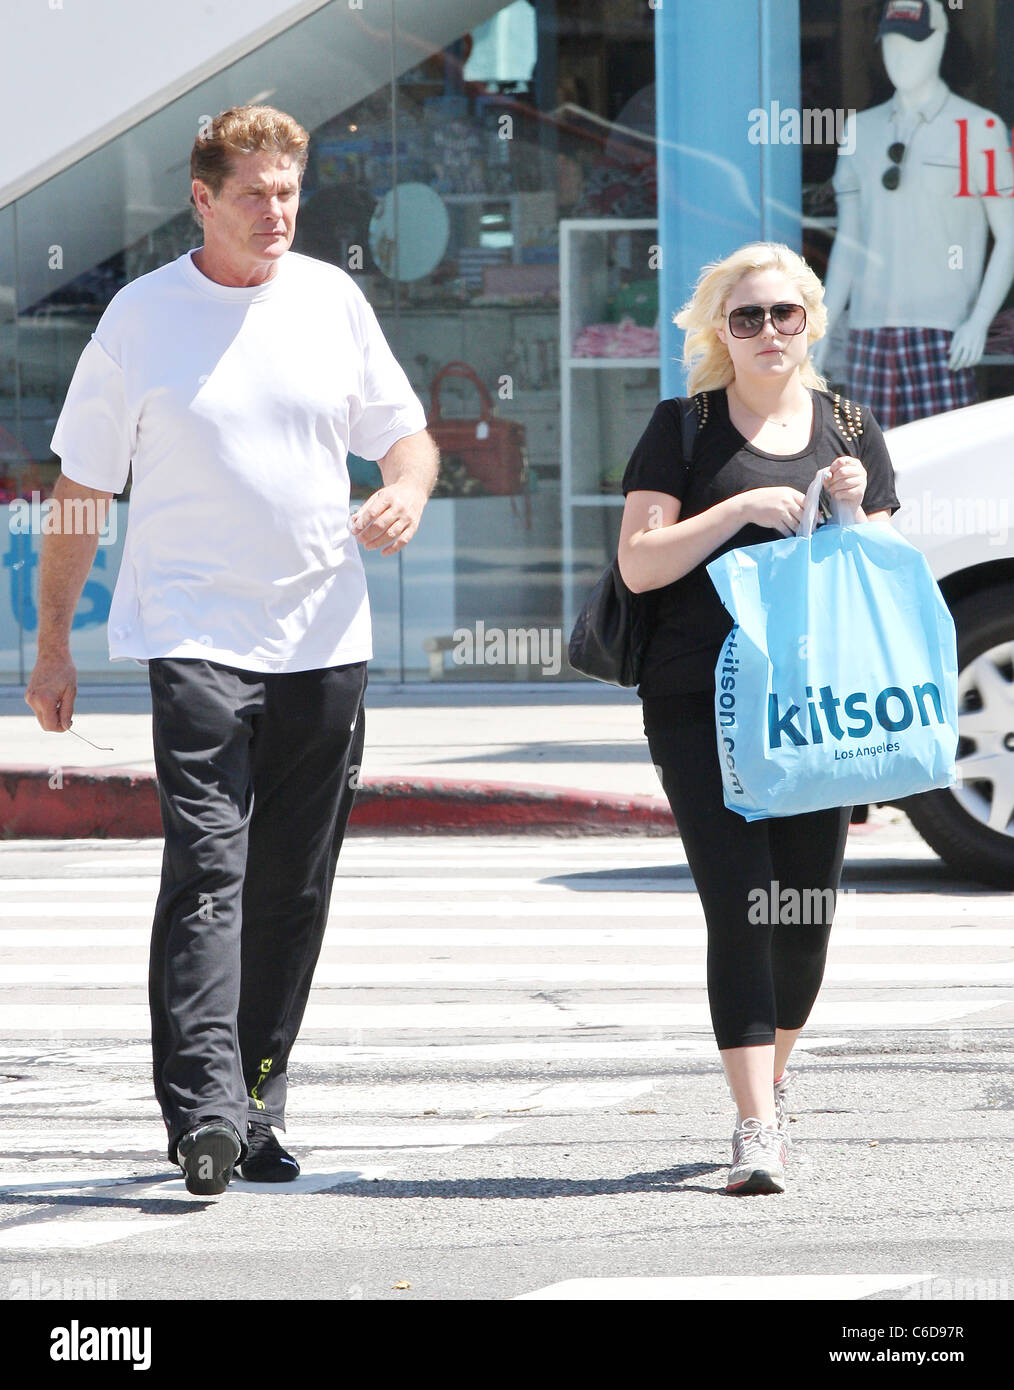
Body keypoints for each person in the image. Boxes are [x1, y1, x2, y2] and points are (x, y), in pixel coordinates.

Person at [24, 106, 439, 1196]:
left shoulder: (332, 300)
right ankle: (204, 1111)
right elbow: (82, 491)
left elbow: (406, 437)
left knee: (292, 886)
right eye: (254, 193)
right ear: (202, 200)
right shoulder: (140, 317)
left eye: (289, 192)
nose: (276, 212)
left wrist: (405, 487)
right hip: (194, 636)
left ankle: (257, 1102)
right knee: (211, 871)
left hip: (325, 639)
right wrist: (53, 643)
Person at [618, 242, 899, 1194]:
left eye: (785, 313)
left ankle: (770, 1085)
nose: (768, 331)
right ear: (720, 332)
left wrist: (858, 511)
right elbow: (639, 564)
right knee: (742, 907)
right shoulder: (684, 427)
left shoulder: (850, 425)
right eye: (747, 317)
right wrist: (736, 508)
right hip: (698, 698)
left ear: (810, 322)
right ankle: (756, 1126)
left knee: (804, 916)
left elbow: (886, 572)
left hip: (814, 704)